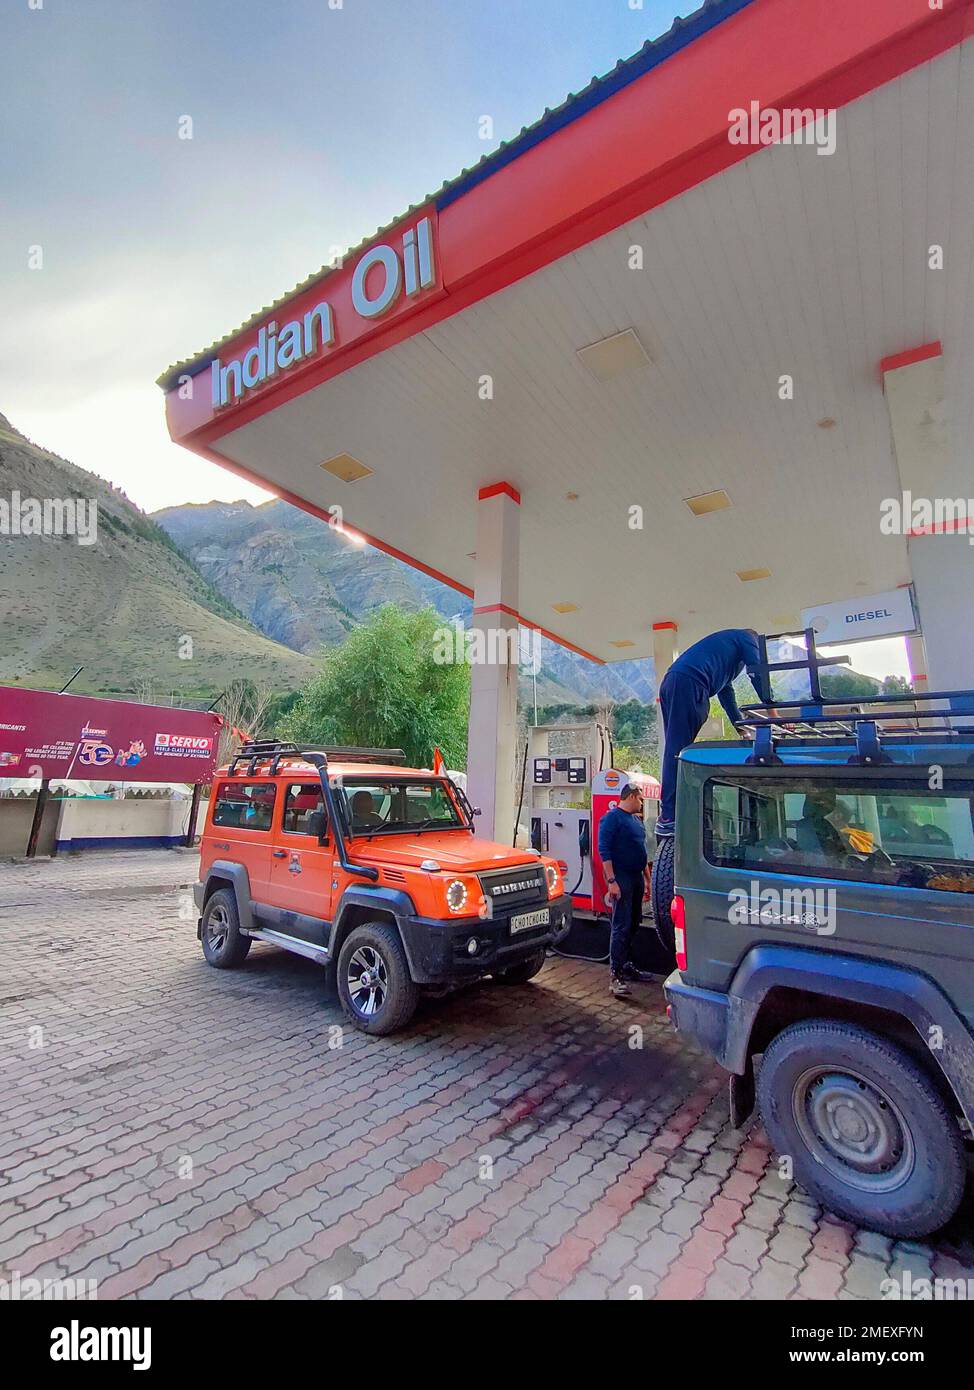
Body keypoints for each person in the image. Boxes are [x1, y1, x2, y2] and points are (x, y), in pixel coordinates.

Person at [656, 628, 764, 839]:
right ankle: (669, 816)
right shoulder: (747, 638)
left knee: (676, 748)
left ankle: (671, 811)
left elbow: (727, 695)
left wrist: (741, 728)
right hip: (689, 682)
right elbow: (758, 672)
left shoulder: (728, 657)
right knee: (677, 750)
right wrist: (772, 711)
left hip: (674, 681)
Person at [598, 782, 653, 998]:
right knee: (620, 925)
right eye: (639, 798)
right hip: (621, 876)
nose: (641, 803)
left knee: (633, 921)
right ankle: (615, 976)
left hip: (636, 877)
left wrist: (647, 879)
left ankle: (626, 964)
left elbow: (642, 851)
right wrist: (612, 881)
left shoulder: (636, 821)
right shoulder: (612, 818)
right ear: (630, 796)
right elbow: (604, 850)